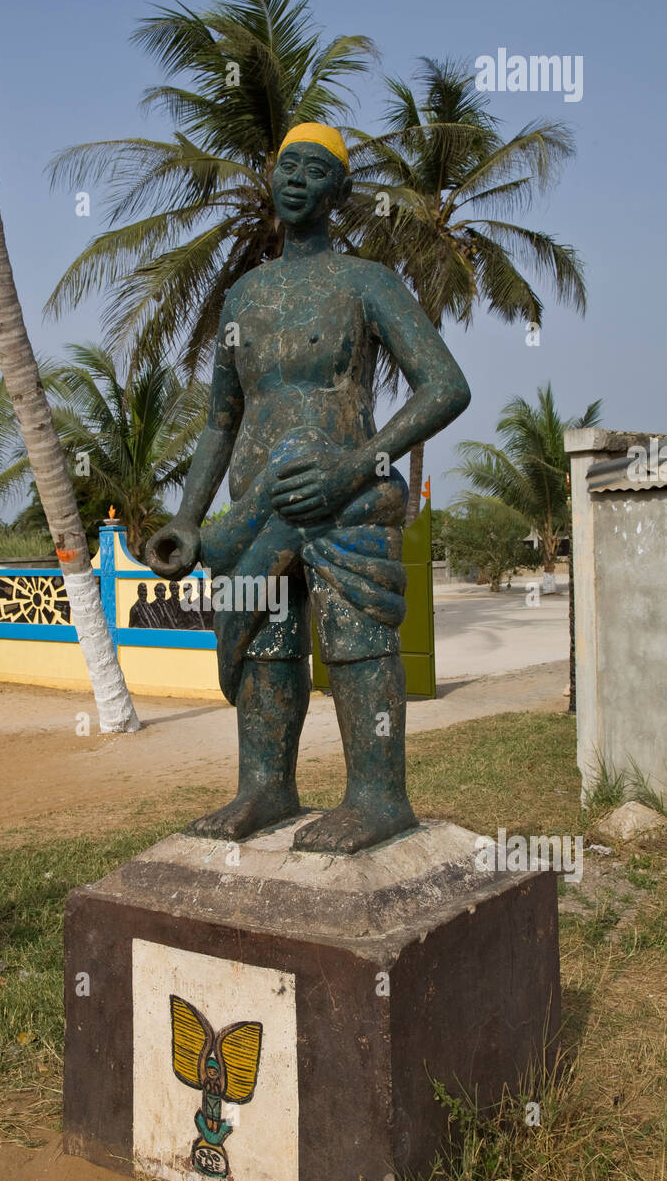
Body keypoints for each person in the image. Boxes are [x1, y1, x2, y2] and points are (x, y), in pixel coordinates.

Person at [146, 124, 470, 853]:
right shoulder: (244, 297)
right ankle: (265, 788)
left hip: (343, 497)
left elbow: (445, 386)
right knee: (266, 641)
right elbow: (218, 424)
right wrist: (189, 520)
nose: (296, 178)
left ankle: (379, 798)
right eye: (285, 165)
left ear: (340, 191)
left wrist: (358, 466)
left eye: (315, 169)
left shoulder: (367, 283)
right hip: (256, 511)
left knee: (356, 634)